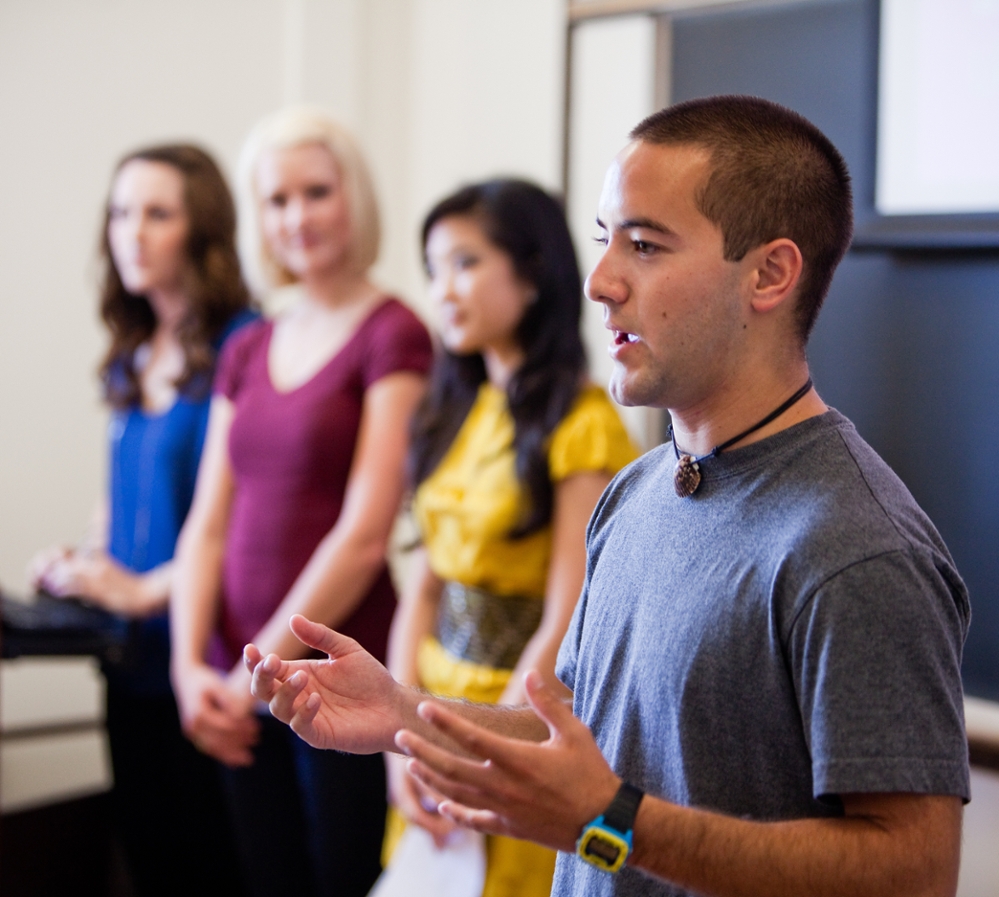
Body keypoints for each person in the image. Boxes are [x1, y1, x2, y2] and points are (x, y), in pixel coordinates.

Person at [244, 95, 970, 897]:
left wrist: (611, 819)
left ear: (769, 273)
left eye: (645, 245)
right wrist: (405, 715)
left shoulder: (853, 545)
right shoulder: (635, 490)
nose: (598, 282)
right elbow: (590, 733)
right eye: (602, 241)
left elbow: (913, 870)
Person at [169, 106, 433, 897]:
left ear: (353, 198)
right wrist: (190, 669)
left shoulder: (394, 332)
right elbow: (206, 522)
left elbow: (363, 531)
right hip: (232, 673)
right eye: (276, 200)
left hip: (332, 674)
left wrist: (263, 663)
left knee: (338, 877)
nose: (297, 217)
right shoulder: (247, 343)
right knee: (265, 876)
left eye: (316, 192)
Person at [382, 179, 638, 896]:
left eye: (465, 263)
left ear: (530, 275)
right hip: (431, 707)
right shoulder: (453, 408)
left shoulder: (582, 421)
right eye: (432, 269)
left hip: (514, 720)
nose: (442, 289)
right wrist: (399, 735)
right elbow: (426, 583)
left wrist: (488, 743)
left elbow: (568, 613)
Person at [30, 144, 254, 895]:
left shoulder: (243, 346)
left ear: (203, 231)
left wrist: (139, 590)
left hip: (208, 665)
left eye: (157, 214)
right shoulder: (131, 353)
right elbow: (120, 502)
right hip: (127, 665)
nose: (132, 233)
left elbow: (243, 526)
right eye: (121, 213)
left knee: (216, 869)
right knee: (150, 863)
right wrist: (83, 562)